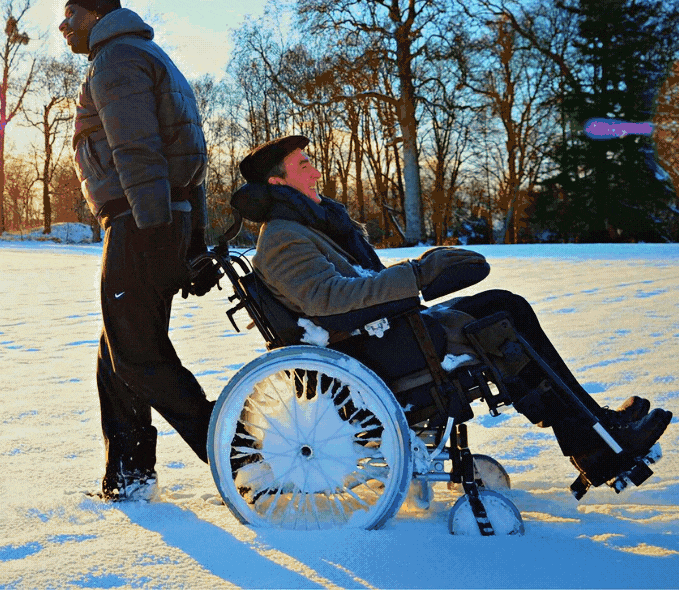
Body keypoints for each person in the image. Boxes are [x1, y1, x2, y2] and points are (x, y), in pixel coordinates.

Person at [231, 134, 672, 495]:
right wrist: (418, 275)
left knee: (505, 305)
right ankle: (595, 442)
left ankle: (595, 432)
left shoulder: (311, 225)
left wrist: (422, 274)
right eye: (304, 164)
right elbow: (327, 300)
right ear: (277, 183)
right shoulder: (284, 238)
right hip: (372, 353)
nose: (316, 170)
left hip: (383, 336)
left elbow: (355, 285)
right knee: (496, 325)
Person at [63, 0, 218, 501]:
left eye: (72, 16)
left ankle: (244, 456)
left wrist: (152, 233)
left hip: (138, 222)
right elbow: (192, 162)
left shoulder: (116, 59)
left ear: (100, 14)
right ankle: (128, 475)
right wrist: (191, 238)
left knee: (138, 354)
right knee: (117, 351)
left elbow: (138, 149)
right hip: (151, 218)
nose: (64, 28)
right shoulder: (148, 55)